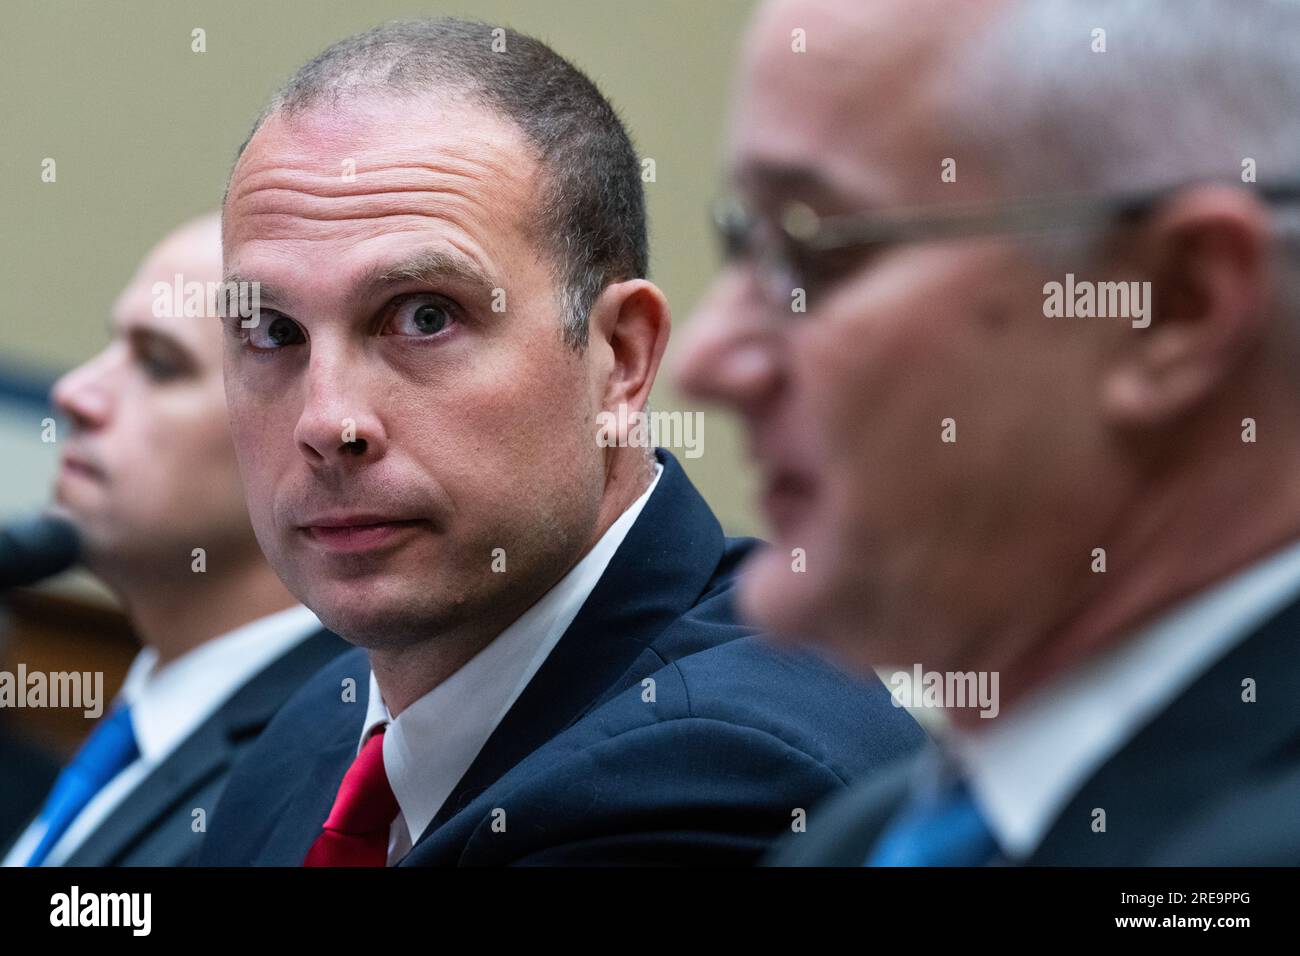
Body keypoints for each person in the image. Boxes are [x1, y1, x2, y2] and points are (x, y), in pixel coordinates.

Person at [199, 17, 924, 867]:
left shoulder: (719, 775)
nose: (327, 423)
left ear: (620, 359)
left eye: (424, 316)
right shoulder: (313, 730)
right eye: (273, 330)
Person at [676, 0, 1300, 865]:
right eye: (743, 242)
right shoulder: (862, 837)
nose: (705, 360)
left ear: (1172, 306)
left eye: (814, 252)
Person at [2, 214, 347, 867]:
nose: (73, 394)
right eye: (112, 348)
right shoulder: (138, 728)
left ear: (309, 436)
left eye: (159, 364)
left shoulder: (312, 784)